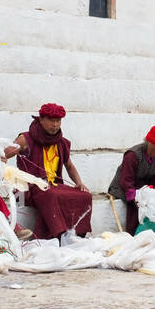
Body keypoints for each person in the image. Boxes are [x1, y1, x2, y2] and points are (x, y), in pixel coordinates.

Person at [15, 103, 93, 240]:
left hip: (55, 185)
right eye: (52, 120)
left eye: (58, 121)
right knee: (51, 194)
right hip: (33, 187)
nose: (55, 125)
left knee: (84, 195)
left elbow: (69, 166)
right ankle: (57, 234)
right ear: (41, 119)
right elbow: (5, 154)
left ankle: (76, 235)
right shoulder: (25, 139)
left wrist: (79, 183)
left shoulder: (62, 142)